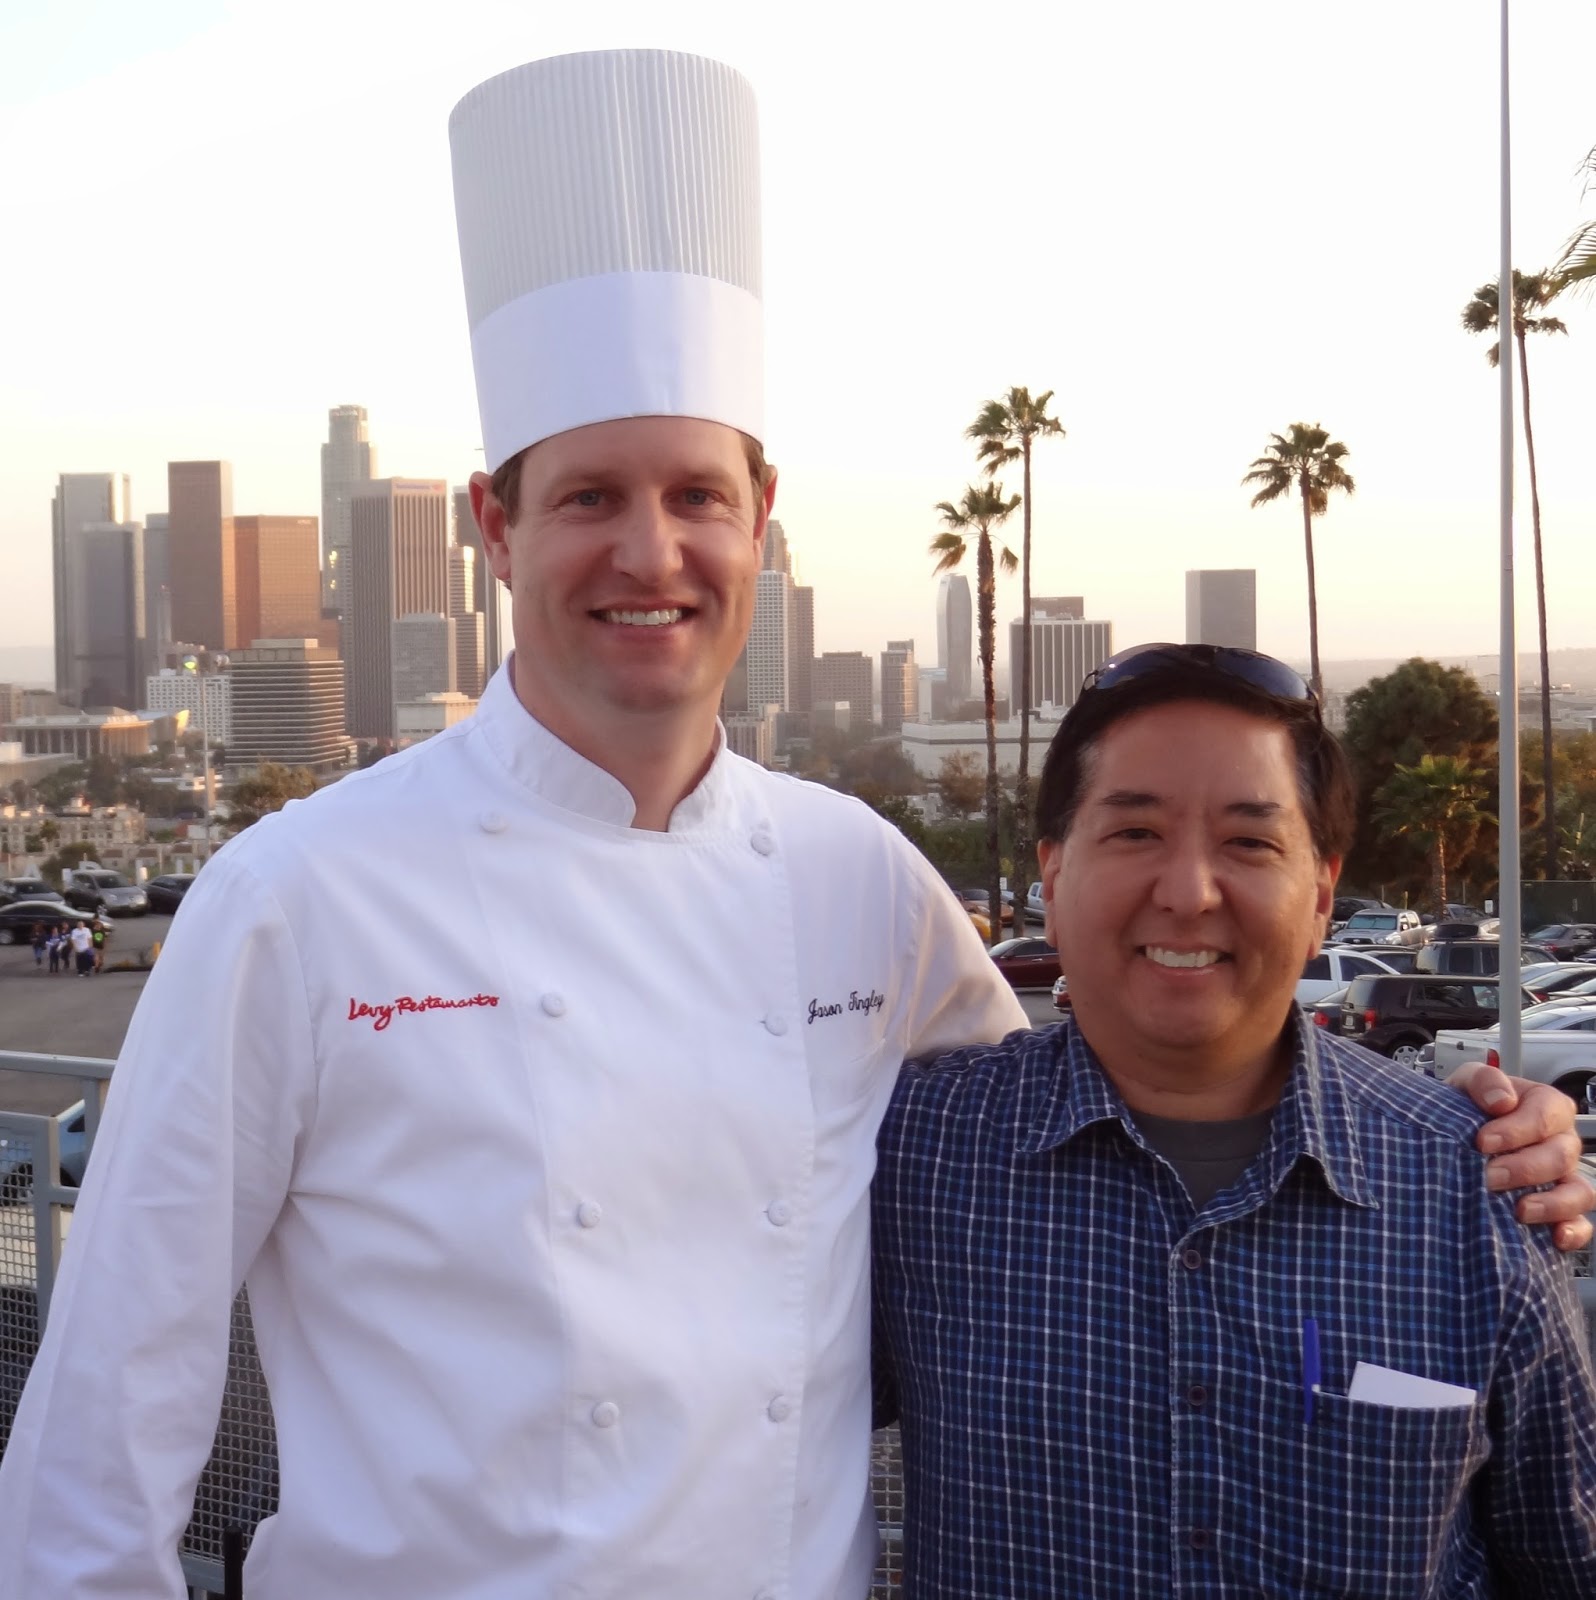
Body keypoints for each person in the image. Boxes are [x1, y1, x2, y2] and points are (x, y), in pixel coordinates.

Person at [0, 54, 1584, 1600]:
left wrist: (1483, 1139)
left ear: (763, 519)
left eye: (695, 495)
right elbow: (103, 1437)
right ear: (495, 524)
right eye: (588, 498)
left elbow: (1097, 1110)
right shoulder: (295, 894)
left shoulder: (856, 877)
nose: (650, 552)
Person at [872, 645, 1596, 1596]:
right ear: (1051, 875)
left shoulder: (1476, 1188)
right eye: (1134, 833)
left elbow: (1565, 1560)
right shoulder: (913, 1156)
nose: (1189, 892)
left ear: (1322, 898)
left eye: (1250, 843)